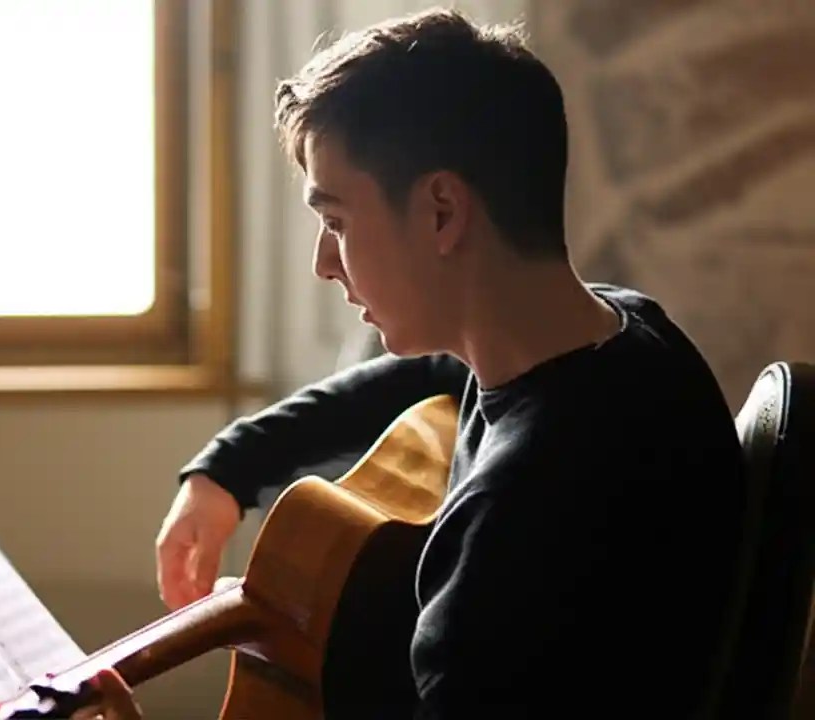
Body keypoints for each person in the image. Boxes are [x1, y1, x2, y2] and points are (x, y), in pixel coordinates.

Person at [71, 7, 748, 719]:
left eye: (335, 220)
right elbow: (431, 376)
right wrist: (229, 467)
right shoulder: (627, 336)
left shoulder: (518, 514)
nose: (322, 263)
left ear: (441, 212)